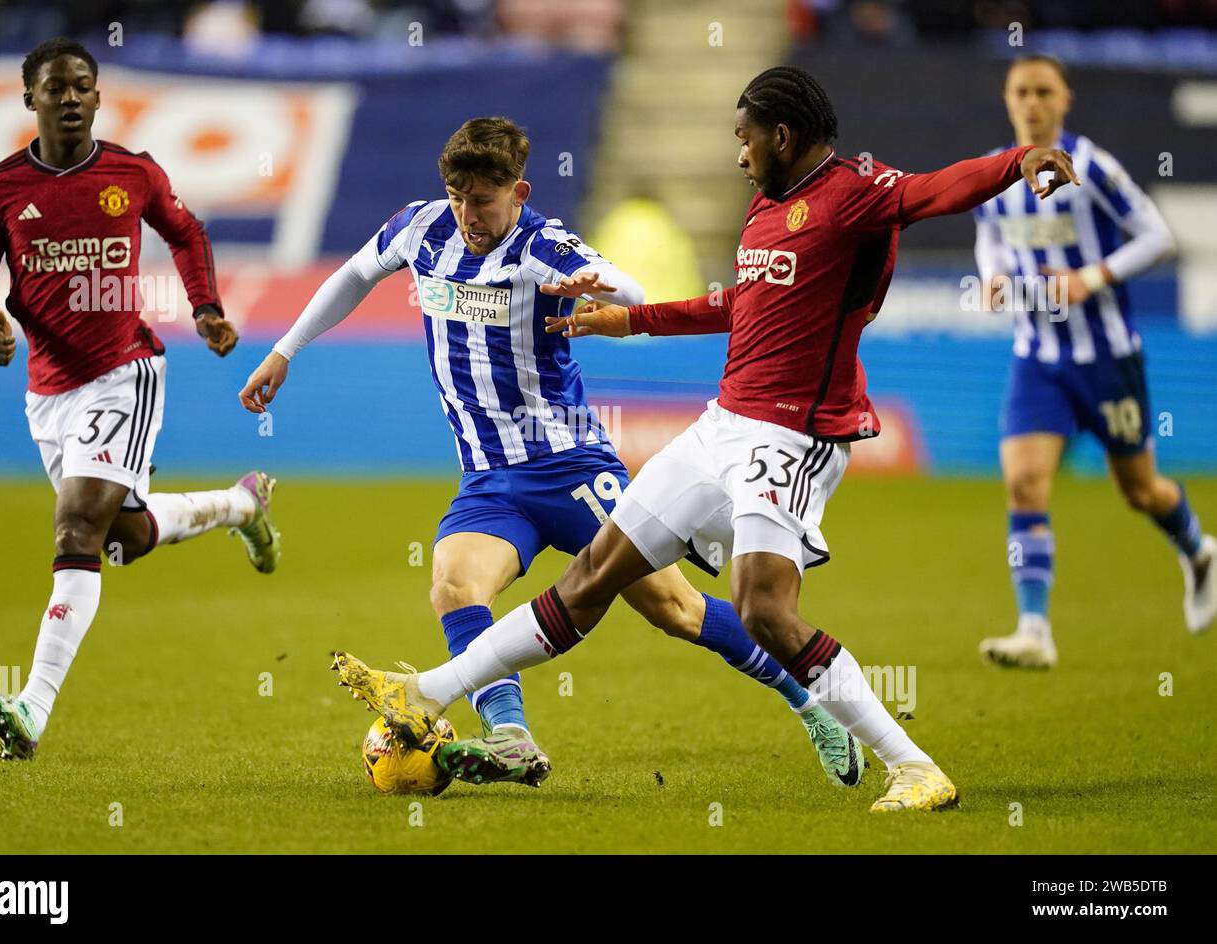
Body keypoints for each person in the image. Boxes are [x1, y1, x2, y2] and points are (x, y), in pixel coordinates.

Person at [331, 66, 1080, 812]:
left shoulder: (854, 195)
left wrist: (1019, 162)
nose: (739, 153)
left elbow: (933, 191)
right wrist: (633, 320)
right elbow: (737, 303)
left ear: (782, 135)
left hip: (791, 436)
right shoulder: (764, 210)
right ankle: (425, 690)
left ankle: (913, 767)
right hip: (721, 425)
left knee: (762, 610)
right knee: (594, 576)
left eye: (745, 138)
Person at [240, 116, 863, 789]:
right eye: (458, 197)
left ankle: (813, 701)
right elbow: (356, 274)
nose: (468, 214)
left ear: (519, 191)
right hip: (489, 478)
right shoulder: (420, 229)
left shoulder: (544, 245)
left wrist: (596, 283)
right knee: (452, 582)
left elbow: (630, 291)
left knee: (673, 610)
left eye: (483, 200)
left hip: (570, 468)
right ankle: (511, 735)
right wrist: (285, 350)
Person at [0, 38, 280, 760]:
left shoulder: (131, 172)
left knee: (75, 528)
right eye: (55, 88)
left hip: (124, 371)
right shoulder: (1, 189)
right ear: (29, 99)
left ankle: (32, 708)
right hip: (48, 391)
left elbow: (186, 231)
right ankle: (239, 506)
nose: (70, 98)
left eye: (83, 86)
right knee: (120, 538)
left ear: (99, 97)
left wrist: (205, 307)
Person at [974, 54, 1213, 669]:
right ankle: (1034, 629)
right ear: (1007, 100)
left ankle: (1198, 551)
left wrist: (1092, 276)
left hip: (1108, 357)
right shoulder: (997, 178)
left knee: (1139, 491)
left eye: (1042, 91)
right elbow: (990, 238)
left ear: (1064, 99)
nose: (1031, 102)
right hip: (1038, 359)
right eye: (1020, 91)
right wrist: (993, 277)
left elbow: (1158, 236)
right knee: (1024, 483)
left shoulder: (1094, 166)